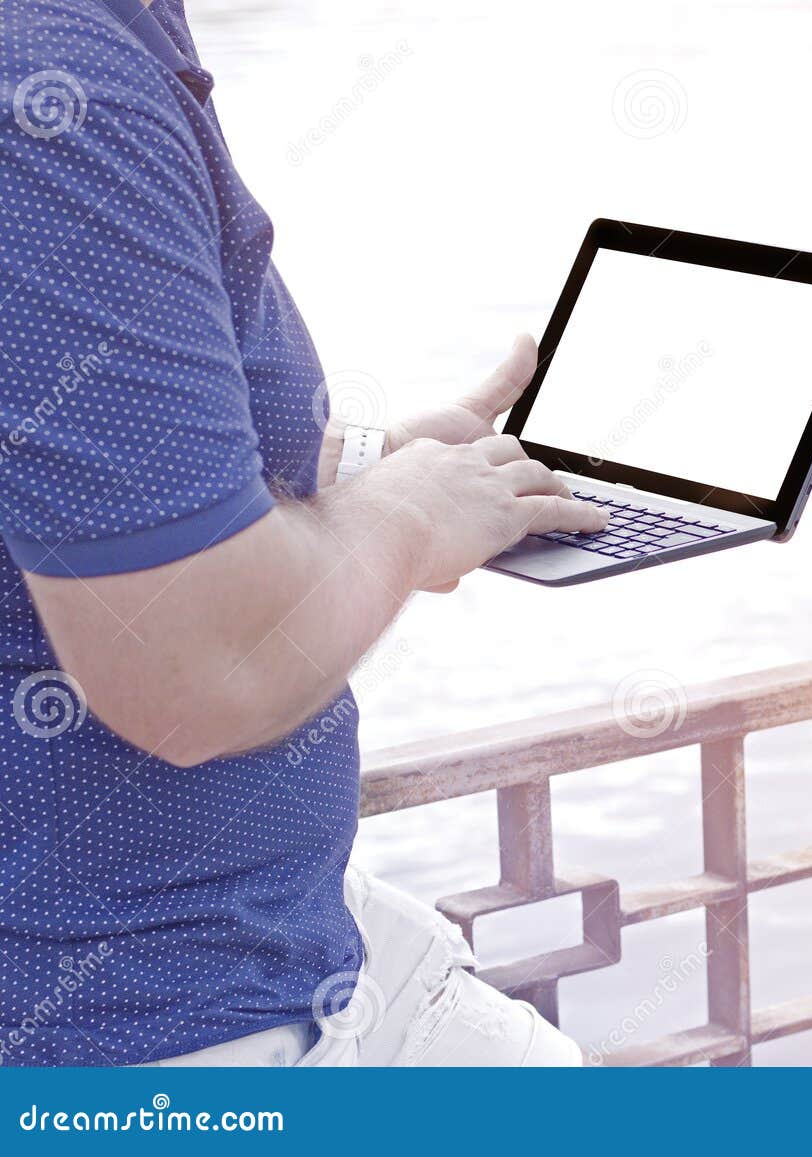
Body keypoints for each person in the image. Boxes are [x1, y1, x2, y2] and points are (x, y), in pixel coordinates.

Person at [0, 0, 602, 1065]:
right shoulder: (57, 96)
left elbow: (78, 458)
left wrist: (382, 461)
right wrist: (408, 516)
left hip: (282, 939)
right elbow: (193, 669)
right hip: (150, 1021)